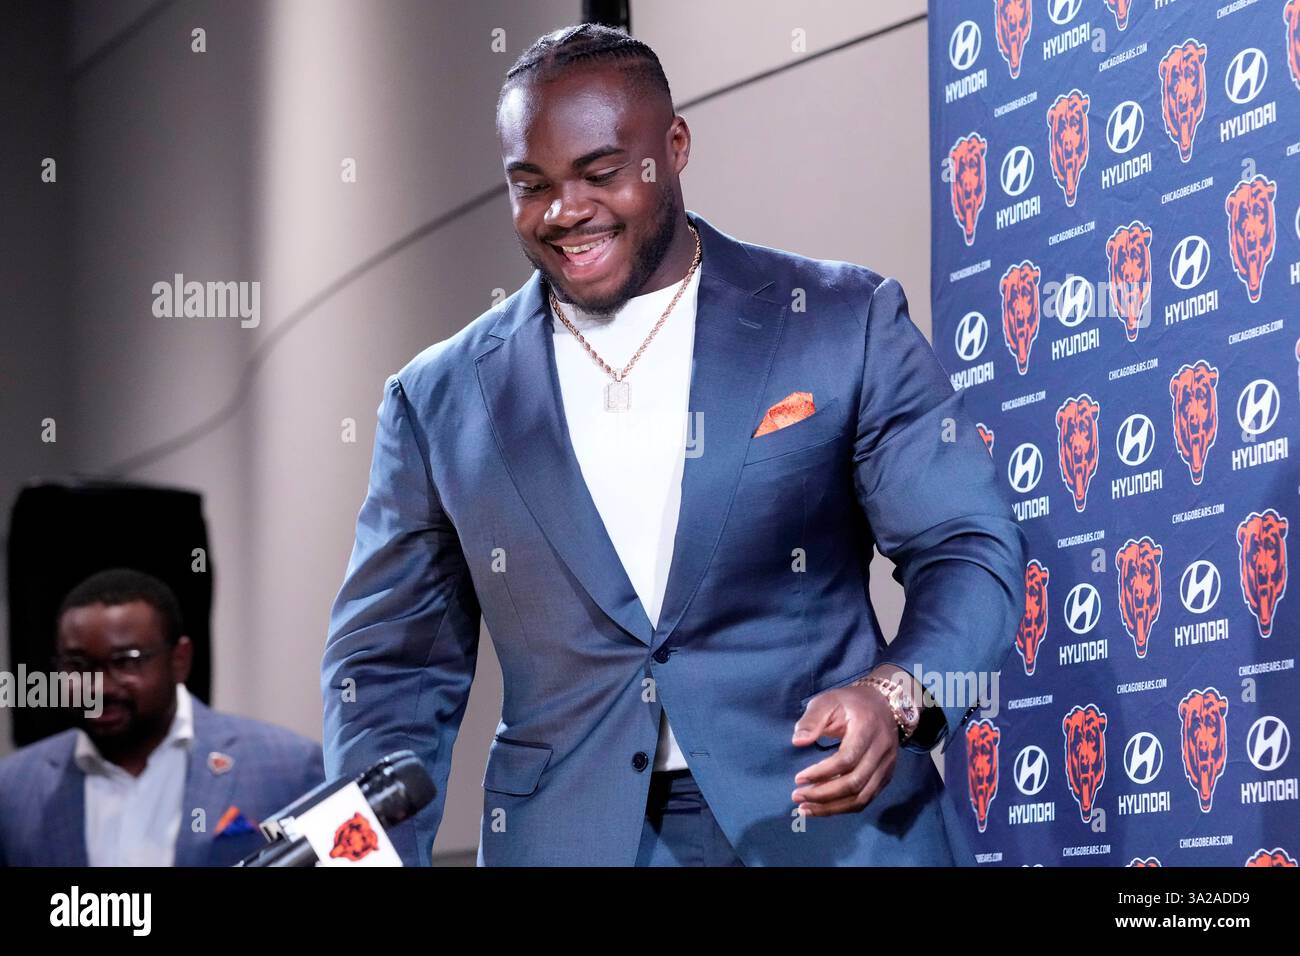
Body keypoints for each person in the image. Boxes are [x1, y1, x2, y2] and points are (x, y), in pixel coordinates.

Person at [323, 23, 1027, 866]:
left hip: (834, 824)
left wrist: (900, 691)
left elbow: (965, 546)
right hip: (569, 839)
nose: (565, 211)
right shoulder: (436, 399)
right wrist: (353, 857)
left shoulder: (841, 321)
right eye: (530, 184)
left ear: (675, 148)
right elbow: (389, 670)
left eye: (600, 174)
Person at [0, 568, 324, 866]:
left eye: (126, 661)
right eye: (78, 666)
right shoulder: (13, 788)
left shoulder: (289, 769)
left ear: (179, 660)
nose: (99, 687)